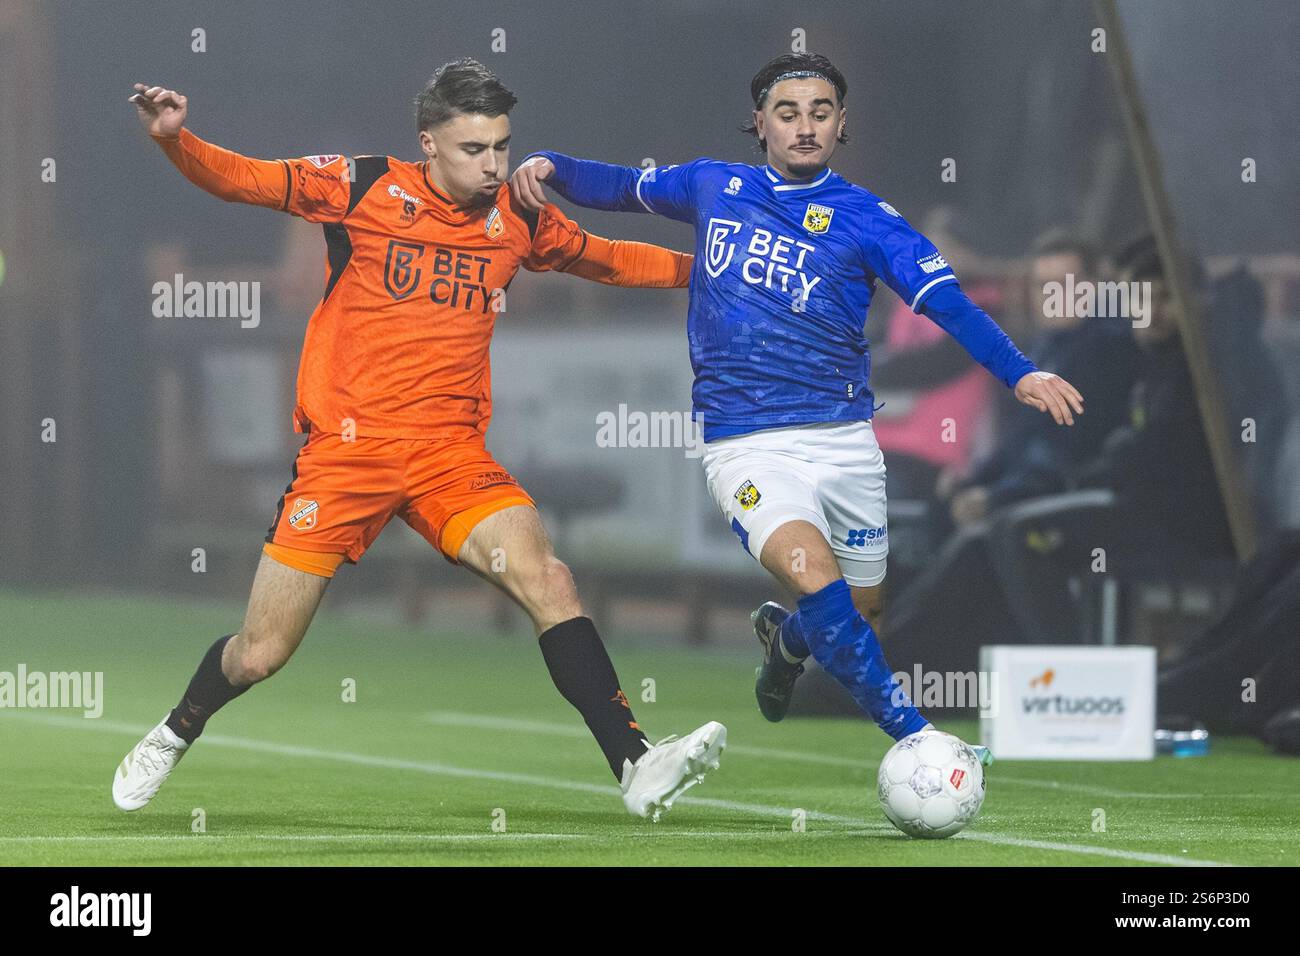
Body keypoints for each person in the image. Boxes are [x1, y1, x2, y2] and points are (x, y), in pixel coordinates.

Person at [113, 60, 726, 823]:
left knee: (551, 580)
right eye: (475, 149)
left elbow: (606, 257)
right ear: (428, 144)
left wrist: (710, 273)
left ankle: (634, 762)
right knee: (260, 653)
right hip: (346, 454)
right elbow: (250, 180)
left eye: (502, 145)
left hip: (449, 456)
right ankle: (177, 729)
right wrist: (179, 141)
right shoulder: (364, 187)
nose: (495, 164)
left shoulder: (518, 217)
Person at [509, 52, 1082, 748]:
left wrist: (1019, 373)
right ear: (759, 123)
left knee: (858, 608)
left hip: (843, 441)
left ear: (841, 124)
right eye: (788, 113)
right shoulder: (713, 184)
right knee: (815, 575)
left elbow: (949, 306)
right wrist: (552, 167)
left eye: (820, 112)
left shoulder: (869, 219)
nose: (804, 126)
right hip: (746, 443)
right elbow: (625, 186)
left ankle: (786, 642)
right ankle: (916, 736)